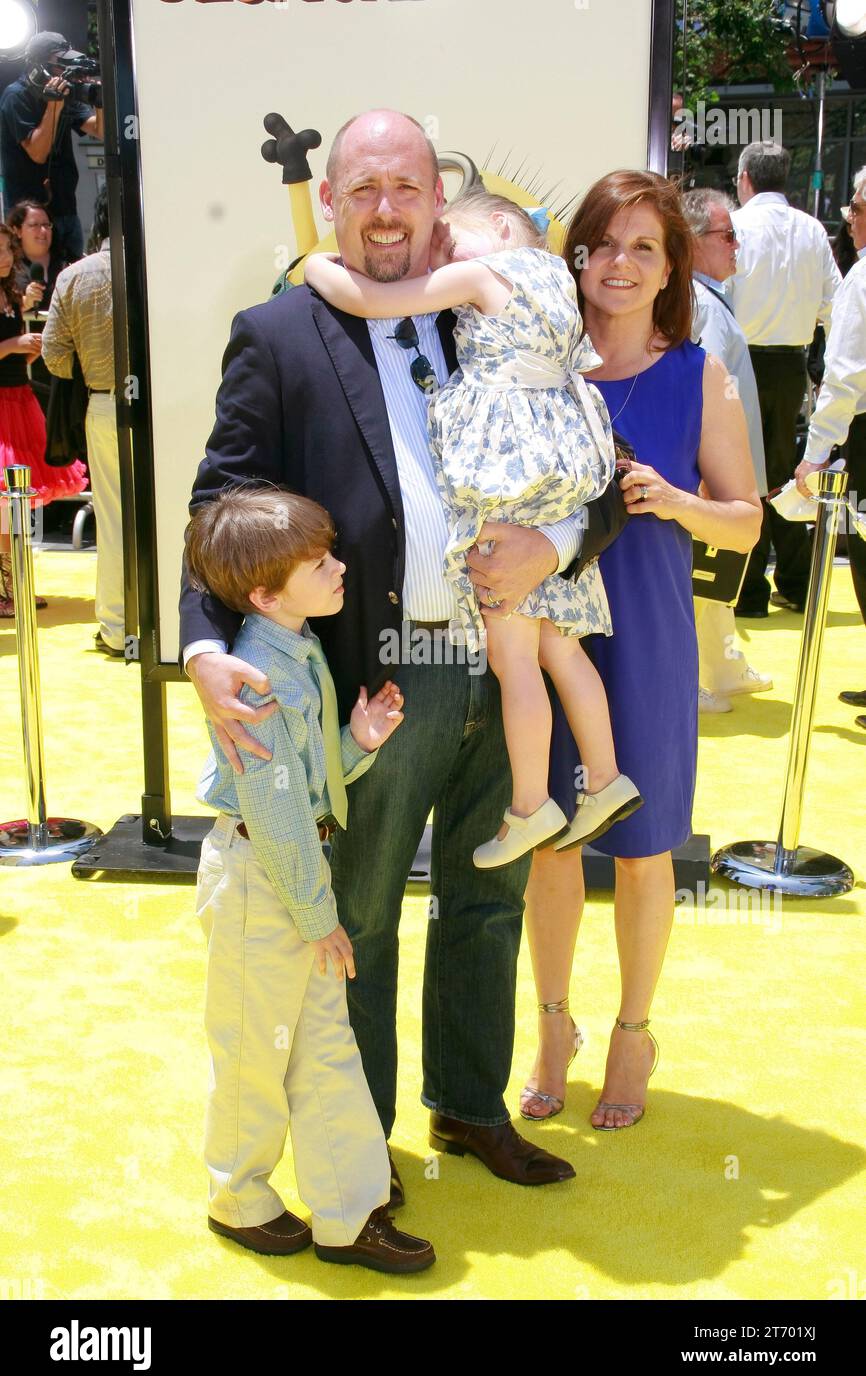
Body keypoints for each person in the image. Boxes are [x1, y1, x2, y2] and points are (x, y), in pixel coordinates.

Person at [179, 110, 576, 1196]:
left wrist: (556, 538)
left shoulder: (490, 306)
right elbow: (221, 505)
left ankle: (469, 1106)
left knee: (484, 898)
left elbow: (587, 456)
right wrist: (203, 646)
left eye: (406, 188)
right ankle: (362, 1146)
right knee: (356, 921)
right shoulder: (278, 332)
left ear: (435, 199)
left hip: (508, 664)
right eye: (363, 192)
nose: (387, 211)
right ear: (333, 203)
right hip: (376, 679)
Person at [518, 171, 761, 1127]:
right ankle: (549, 1027)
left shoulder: (696, 373)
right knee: (548, 838)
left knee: (644, 847)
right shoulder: (541, 366)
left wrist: (675, 498)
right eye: (603, 245)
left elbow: (744, 524)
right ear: (575, 256)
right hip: (547, 639)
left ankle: (632, 1033)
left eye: (644, 250)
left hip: (651, 637)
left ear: (672, 270)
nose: (619, 265)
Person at [304, 186, 641, 867]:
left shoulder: (485, 274)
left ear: (497, 226)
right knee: (560, 651)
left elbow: (370, 299)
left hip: (509, 480)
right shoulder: (559, 284)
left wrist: (315, 262)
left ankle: (529, 805)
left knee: (514, 659)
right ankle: (603, 778)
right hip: (562, 465)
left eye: (448, 242)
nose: (441, 259)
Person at [185, 487, 433, 1272]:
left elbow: (307, 775)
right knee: (257, 1048)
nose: (339, 568)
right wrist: (317, 912)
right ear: (263, 593)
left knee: (324, 1042)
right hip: (269, 880)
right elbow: (276, 803)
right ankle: (239, 1196)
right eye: (319, 562)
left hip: (293, 875)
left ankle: (348, 1211)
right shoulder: (258, 674)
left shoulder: (294, 648)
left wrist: (354, 742)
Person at [729, 141, 841, 618]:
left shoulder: (735, 226)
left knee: (741, 473)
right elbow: (834, 306)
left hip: (739, 362)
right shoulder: (813, 230)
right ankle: (794, 583)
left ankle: (748, 590)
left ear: (745, 179)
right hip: (792, 365)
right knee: (788, 471)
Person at [682, 187, 772, 713]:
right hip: (712, 476)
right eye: (727, 235)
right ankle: (695, 678)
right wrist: (707, 474)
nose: (736, 245)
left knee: (713, 578)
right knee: (696, 579)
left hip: (718, 473)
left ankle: (722, 664)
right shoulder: (705, 305)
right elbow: (703, 390)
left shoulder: (708, 299)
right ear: (695, 242)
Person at [795, 167, 866, 734]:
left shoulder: (862, 278)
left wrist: (816, 452)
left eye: (856, 210)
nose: (851, 221)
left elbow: (845, 376)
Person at [42, 187, 124, 656]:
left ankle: (116, 627)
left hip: (105, 403)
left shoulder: (74, 277)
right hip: (163, 403)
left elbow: (53, 356)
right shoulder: (156, 269)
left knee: (112, 519)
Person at [0, 221, 86, 617]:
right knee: (6, 503)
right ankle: (8, 587)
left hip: (19, 398)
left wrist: (28, 351)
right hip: (5, 407)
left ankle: (13, 585)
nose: (3, 256)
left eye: (6, 248)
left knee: (14, 505)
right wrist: (15, 344)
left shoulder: (10, 294)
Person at [0, 31, 103, 263]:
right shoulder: (15, 97)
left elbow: (100, 130)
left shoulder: (65, 93)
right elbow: (38, 153)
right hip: (30, 221)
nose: (63, 73)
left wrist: (99, 102)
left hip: (66, 210)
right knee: (37, 289)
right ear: (40, 66)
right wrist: (53, 105)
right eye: (60, 64)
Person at [7, 200, 67, 313]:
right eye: (34, 225)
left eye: (46, 225)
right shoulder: (8, 267)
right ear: (17, 231)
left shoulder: (67, 262)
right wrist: (26, 302)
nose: (43, 231)